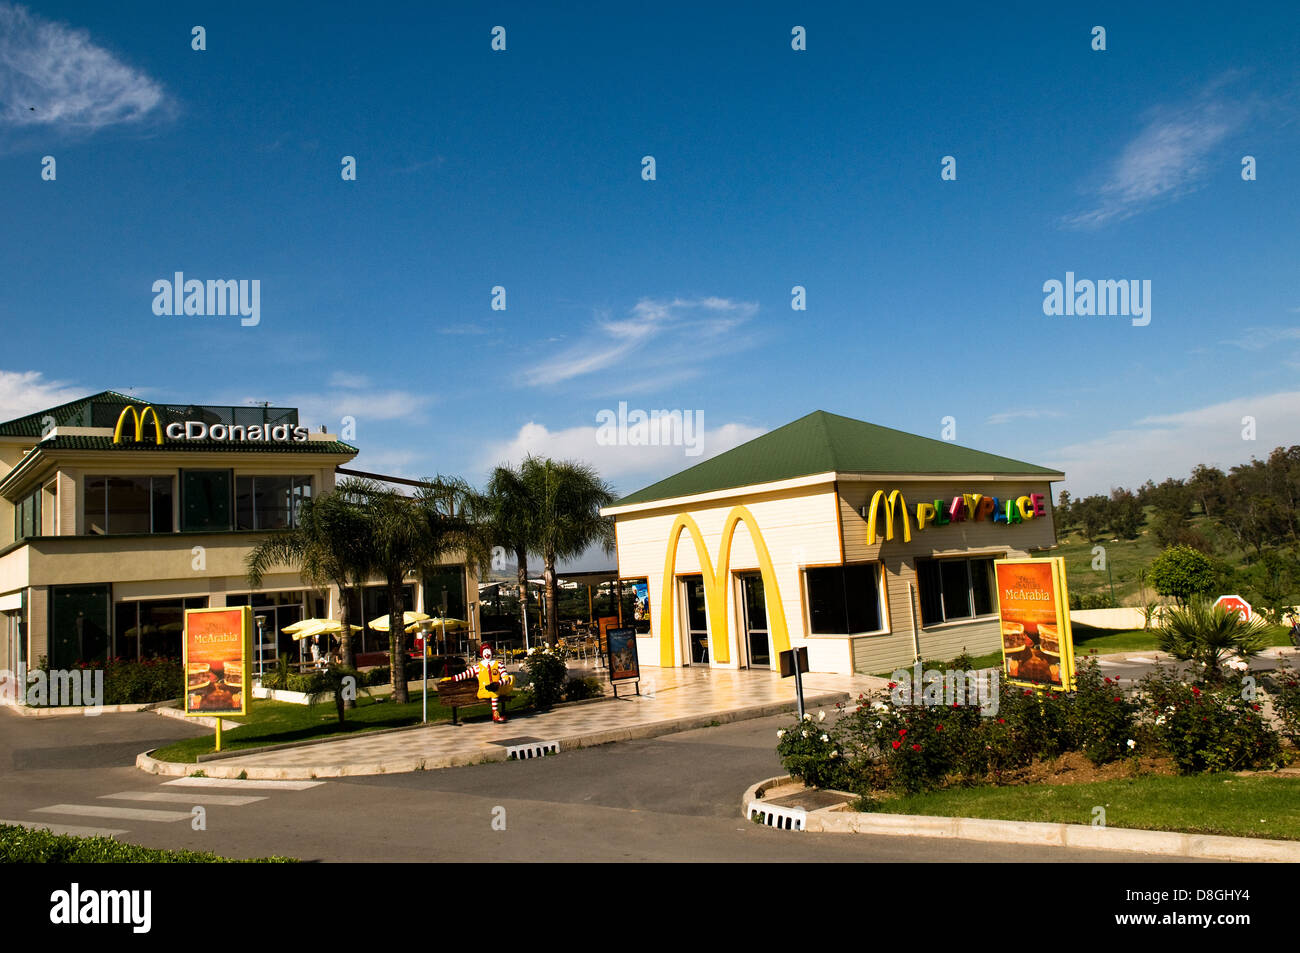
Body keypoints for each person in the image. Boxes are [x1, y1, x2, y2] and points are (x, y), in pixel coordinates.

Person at [449, 643, 514, 723]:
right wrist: (451, 678)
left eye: (488, 651)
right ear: (481, 654)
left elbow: (506, 677)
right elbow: (465, 675)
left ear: (492, 652)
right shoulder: (477, 667)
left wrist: (498, 683)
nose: (487, 654)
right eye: (484, 652)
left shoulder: (499, 664)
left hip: (497, 688)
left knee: (507, 681)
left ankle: (495, 714)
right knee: (494, 693)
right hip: (483, 691)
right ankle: (495, 715)